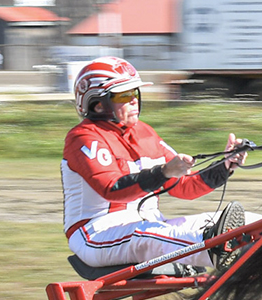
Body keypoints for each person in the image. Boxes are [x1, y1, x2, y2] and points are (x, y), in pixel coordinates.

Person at [62, 56, 251, 273]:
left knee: (252, 223)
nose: (134, 100)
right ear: (97, 105)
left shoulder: (145, 133)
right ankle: (216, 246)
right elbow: (112, 188)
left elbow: (186, 186)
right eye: (124, 95)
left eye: (135, 93)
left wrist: (225, 165)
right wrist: (163, 172)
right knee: (151, 235)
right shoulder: (84, 138)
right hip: (97, 234)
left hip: (150, 226)